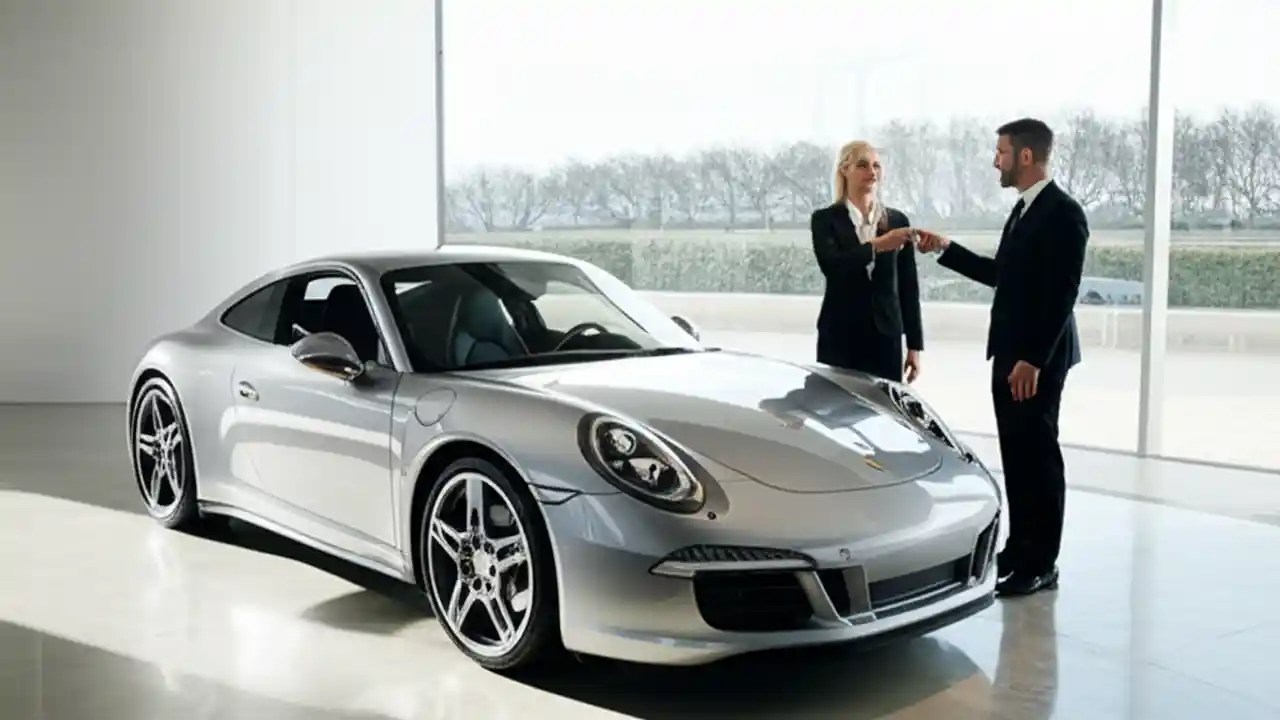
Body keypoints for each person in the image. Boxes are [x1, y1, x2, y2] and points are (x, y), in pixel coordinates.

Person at [916, 118, 1089, 597]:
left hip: (1037, 360)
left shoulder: (1063, 212)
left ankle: (1043, 563)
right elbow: (1002, 275)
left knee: (1039, 457)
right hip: (1010, 354)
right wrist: (946, 249)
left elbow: (1062, 294)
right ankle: (1020, 548)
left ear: (1025, 156)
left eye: (1001, 152)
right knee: (1016, 454)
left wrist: (1033, 359)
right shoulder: (1023, 211)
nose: (996, 160)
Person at [809, 140, 923, 383]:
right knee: (835, 411)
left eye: (876, 166)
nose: (872, 172)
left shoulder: (897, 220)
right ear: (844, 170)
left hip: (886, 338)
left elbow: (908, 285)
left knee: (883, 415)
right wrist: (878, 245)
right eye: (862, 165)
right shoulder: (825, 220)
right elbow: (833, 267)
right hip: (840, 334)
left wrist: (914, 345)